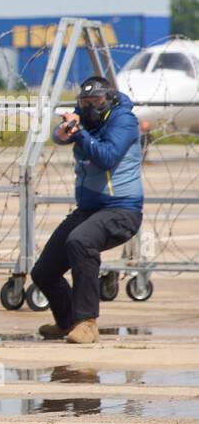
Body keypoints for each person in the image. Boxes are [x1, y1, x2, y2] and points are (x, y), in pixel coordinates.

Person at [32, 76, 144, 345]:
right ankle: (68, 322)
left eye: (97, 102)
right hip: (89, 209)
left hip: (121, 210)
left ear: (109, 100)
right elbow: (59, 137)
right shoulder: (81, 117)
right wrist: (66, 129)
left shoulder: (123, 121)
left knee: (81, 242)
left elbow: (106, 157)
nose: (91, 107)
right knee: (43, 272)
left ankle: (87, 323)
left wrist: (79, 133)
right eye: (86, 102)